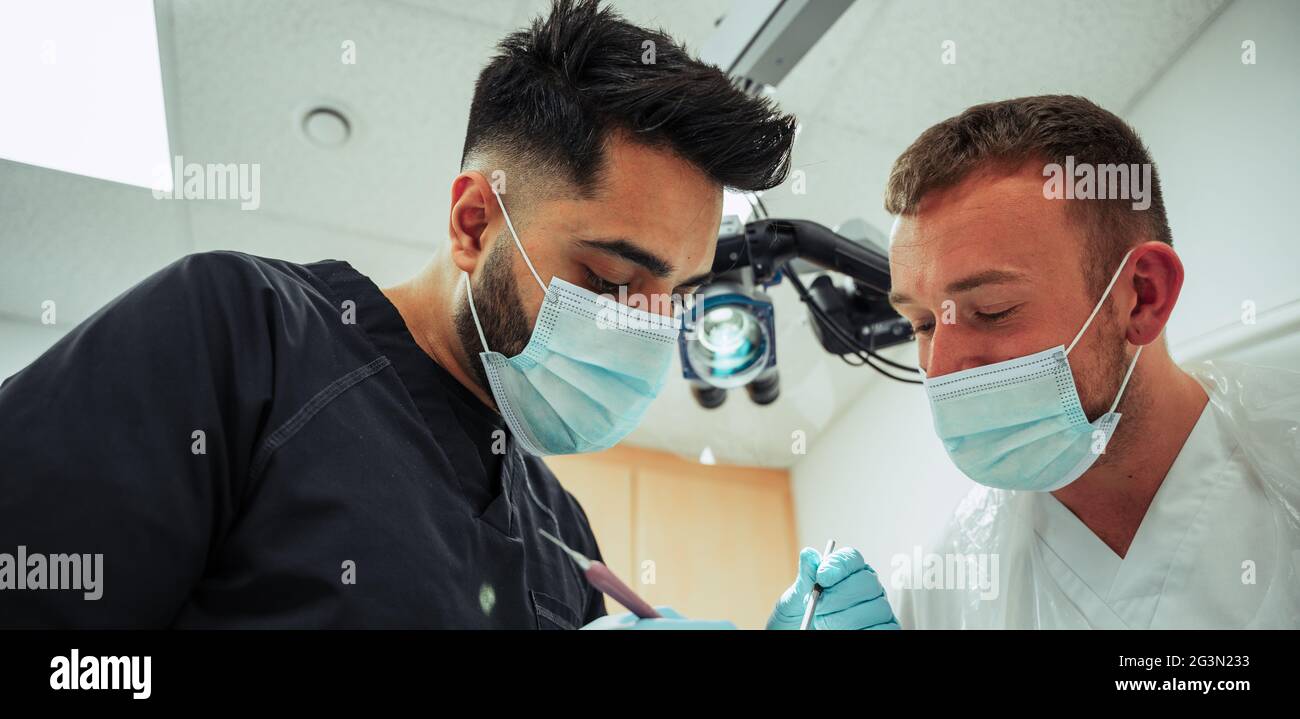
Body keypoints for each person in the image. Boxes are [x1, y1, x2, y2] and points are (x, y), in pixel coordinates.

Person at [0, 0, 894, 630]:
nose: (647, 328)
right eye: (613, 277)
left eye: (679, 299)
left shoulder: (561, 537)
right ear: (475, 223)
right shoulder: (242, 337)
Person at [880, 95, 1299, 628]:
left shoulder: (1287, 472)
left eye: (991, 311)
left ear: (1143, 297)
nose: (940, 369)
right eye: (922, 324)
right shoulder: (943, 592)